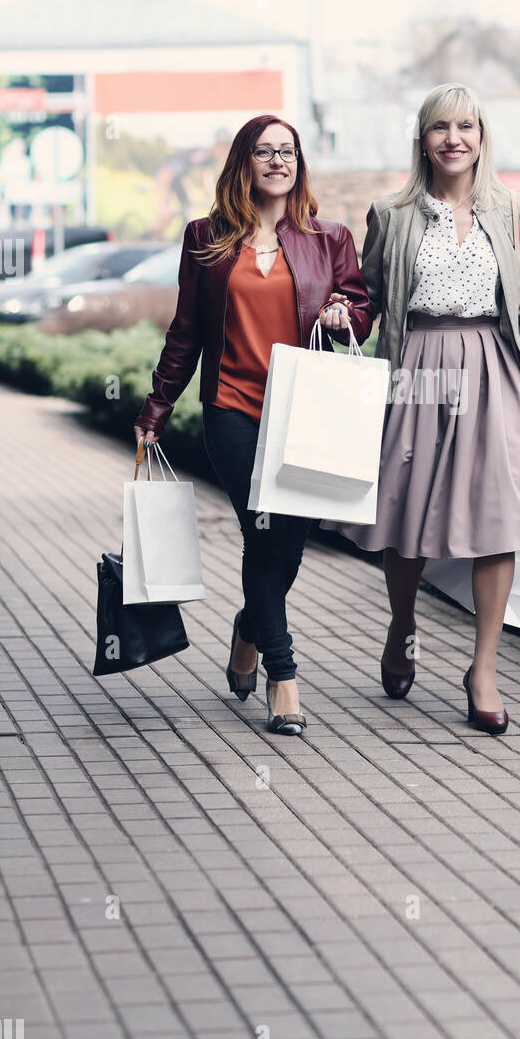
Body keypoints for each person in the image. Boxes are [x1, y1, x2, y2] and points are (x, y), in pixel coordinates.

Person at [320, 83, 520, 735]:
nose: (454, 138)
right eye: (440, 128)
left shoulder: (511, 212)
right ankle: (402, 626)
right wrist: (345, 313)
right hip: (417, 369)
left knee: (501, 519)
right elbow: (367, 297)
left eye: (466, 126)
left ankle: (482, 670)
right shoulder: (392, 213)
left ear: (482, 138)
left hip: (495, 373)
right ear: (422, 139)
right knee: (407, 517)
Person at [134, 115, 373, 734]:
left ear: (300, 163)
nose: (277, 161)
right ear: (243, 162)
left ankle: (248, 625)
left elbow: (360, 310)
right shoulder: (206, 238)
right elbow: (186, 330)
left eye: (287, 151)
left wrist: (347, 315)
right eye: (264, 151)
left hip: (303, 413)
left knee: (287, 544)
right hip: (232, 411)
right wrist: (157, 406)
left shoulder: (329, 237)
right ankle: (283, 673)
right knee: (261, 532)